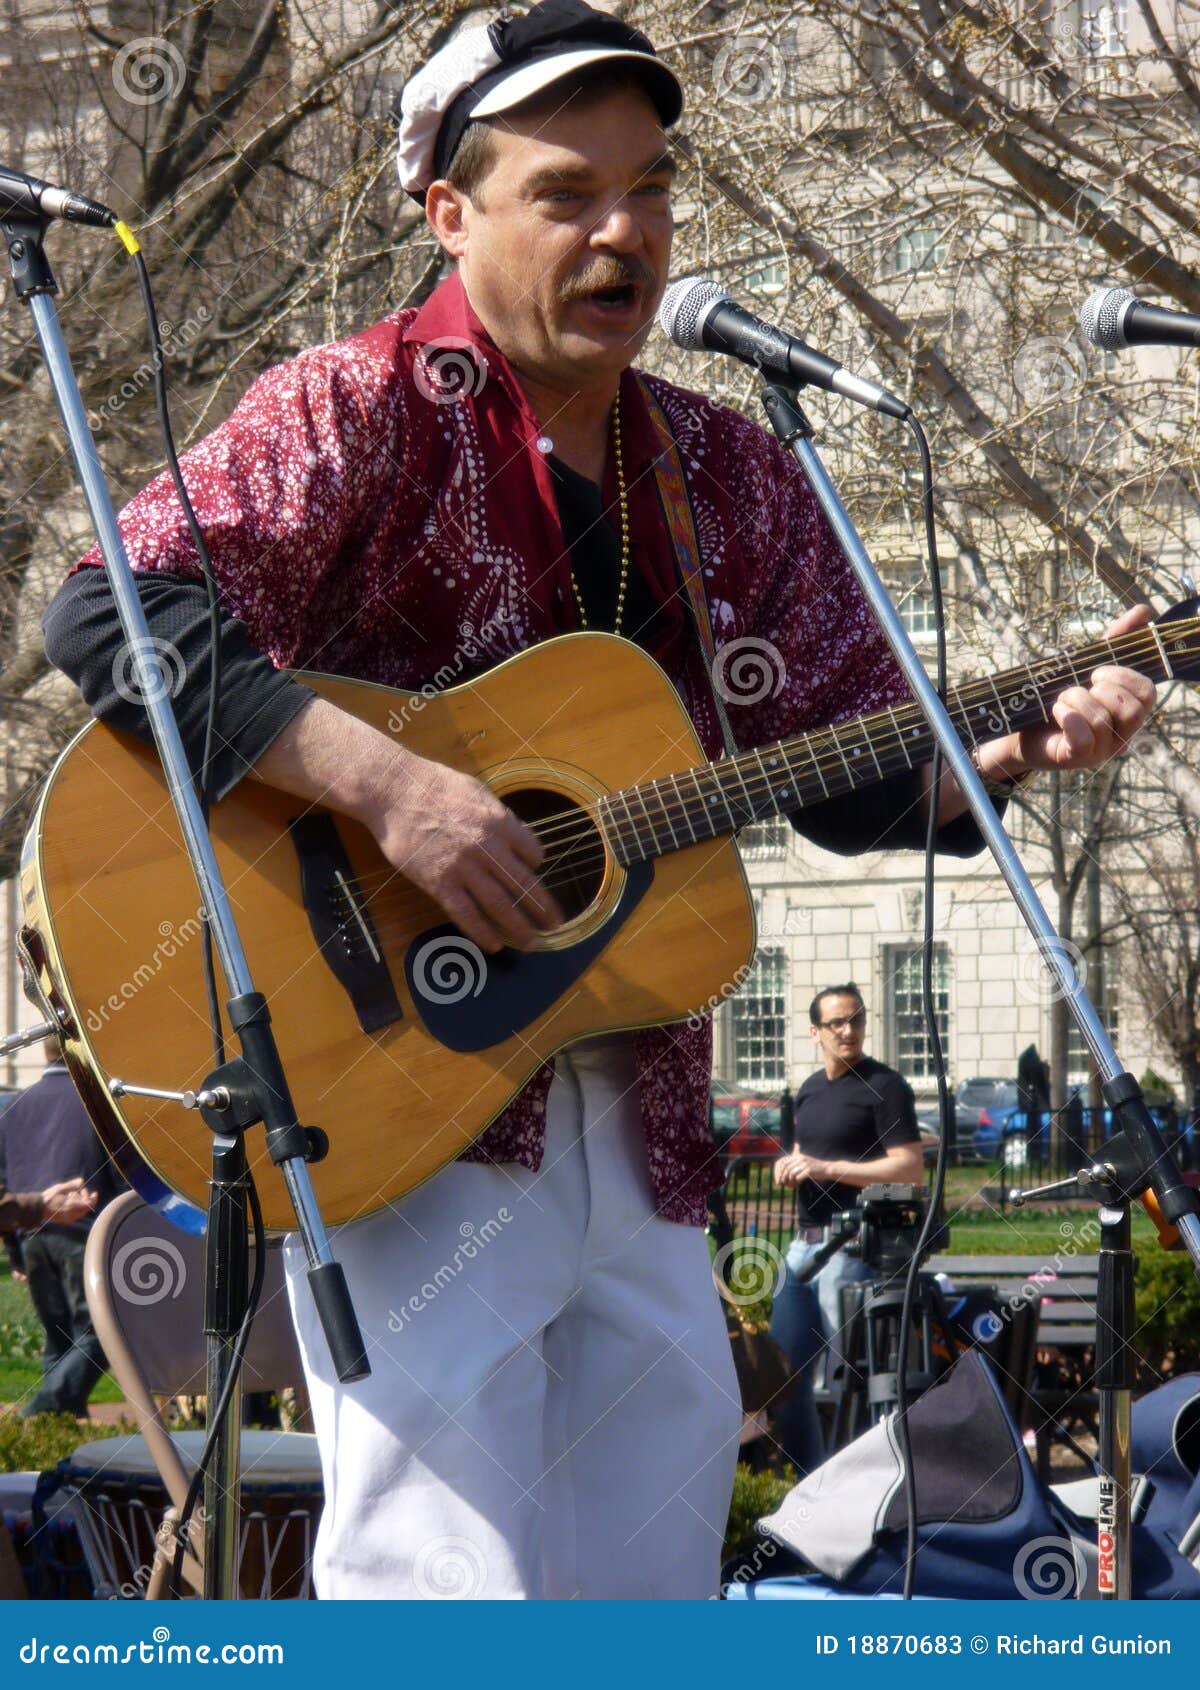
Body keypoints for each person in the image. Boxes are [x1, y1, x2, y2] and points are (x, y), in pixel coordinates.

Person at [40, 0, 1157, 1597]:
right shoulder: (351, 407)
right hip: (402, 1077)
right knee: (440, 1570)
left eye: (648, 188)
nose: (623, 228)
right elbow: (107, 608)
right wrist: (398, 791)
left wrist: (993, 758)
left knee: (650, 1551)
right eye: (567, 193)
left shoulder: (729, 471)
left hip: (642, 1096)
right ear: (450, 212)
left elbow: (841, 760)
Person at [768, 984, 925, 1476]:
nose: (848, 1030)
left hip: (851, 1250)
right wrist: (790, 1165)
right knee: (782, 1378)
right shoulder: (810, 1090)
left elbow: (908, 1167)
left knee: (848, 1380)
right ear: (815, 1031)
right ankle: (809, 1482)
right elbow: (809, 1156)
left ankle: (866, 1484)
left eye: (855, 1019)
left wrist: (827, 1168)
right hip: (803, 1248)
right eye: (836, 1022)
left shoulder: (886, 1086)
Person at [0, 1042, 116, 1416]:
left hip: (32, 1236)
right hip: (87, 1233)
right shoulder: (99, 1102)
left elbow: (3, 1181)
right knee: (103, 1333)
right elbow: (123, 1174)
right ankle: (40, 1415)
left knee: (59, 1340)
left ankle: (59, 1433)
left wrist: (15, 1250)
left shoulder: (13, 1107)